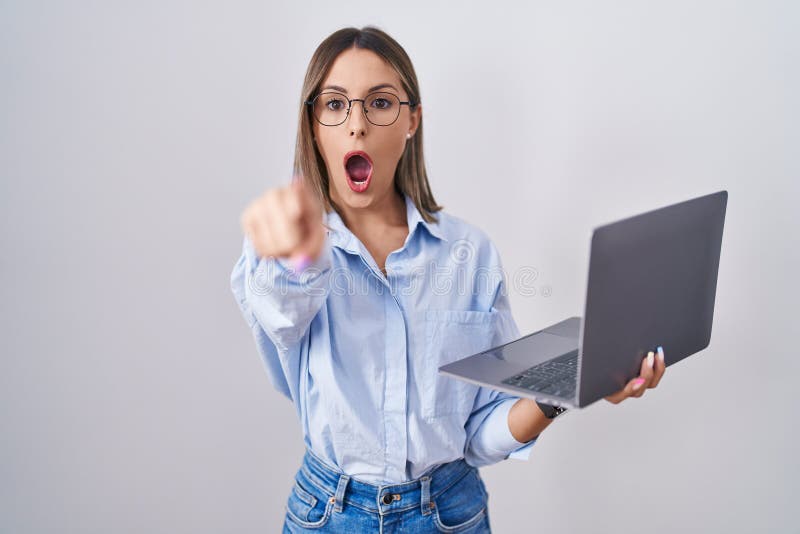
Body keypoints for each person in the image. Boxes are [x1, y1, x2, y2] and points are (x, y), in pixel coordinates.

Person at [230, 26, 667, 533]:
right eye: (334, 105)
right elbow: (278, 313)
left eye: (380, 102)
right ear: (313, 124)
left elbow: (481, 432)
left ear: (412, 119)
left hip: (449, 514)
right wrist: (301, 257)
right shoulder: (284, 250)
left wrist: (563, 390)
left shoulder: (470, 254)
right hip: (328, 515)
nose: (357, 125)